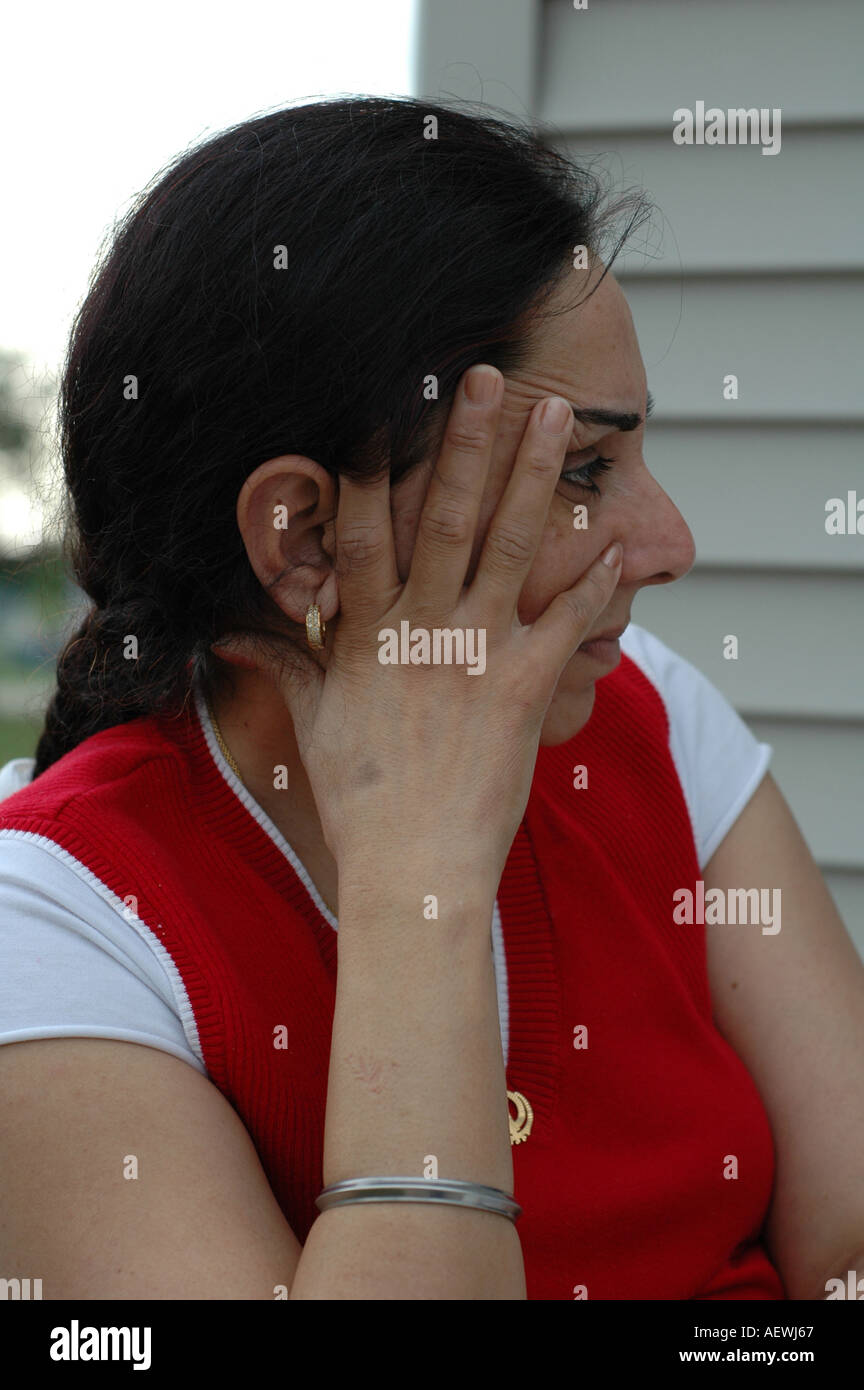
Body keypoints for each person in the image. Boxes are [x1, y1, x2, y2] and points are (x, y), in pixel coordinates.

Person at [0, 96, 861, 1302]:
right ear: (300, 535)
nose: (668, 543)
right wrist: (420, 871)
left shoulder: (647, 712)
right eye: (582, 472)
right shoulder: (56, 923)